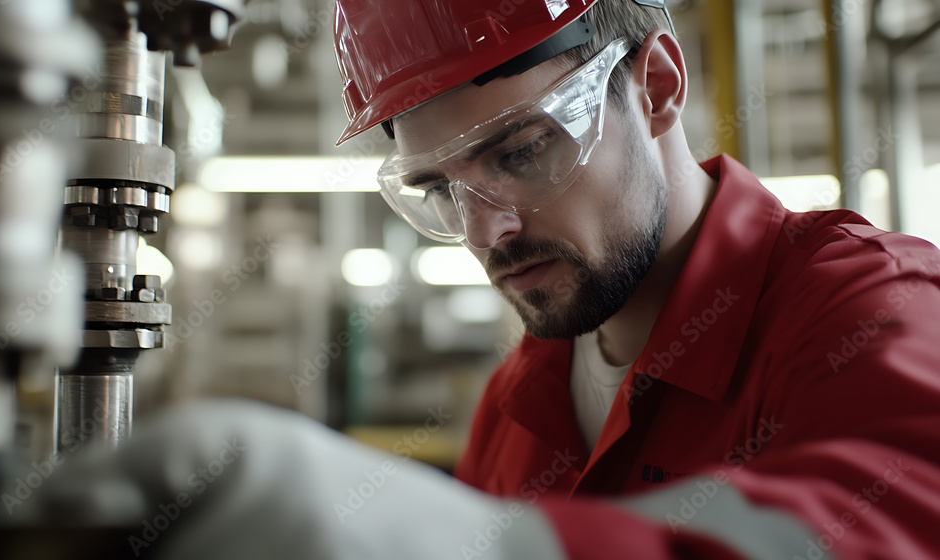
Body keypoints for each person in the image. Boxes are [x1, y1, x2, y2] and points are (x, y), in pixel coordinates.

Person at [329, 0, 940, 557]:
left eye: (521, 153)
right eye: (439, 189)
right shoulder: (513, 410)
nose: (484, 232)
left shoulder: (874, 311)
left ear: (655, 87)